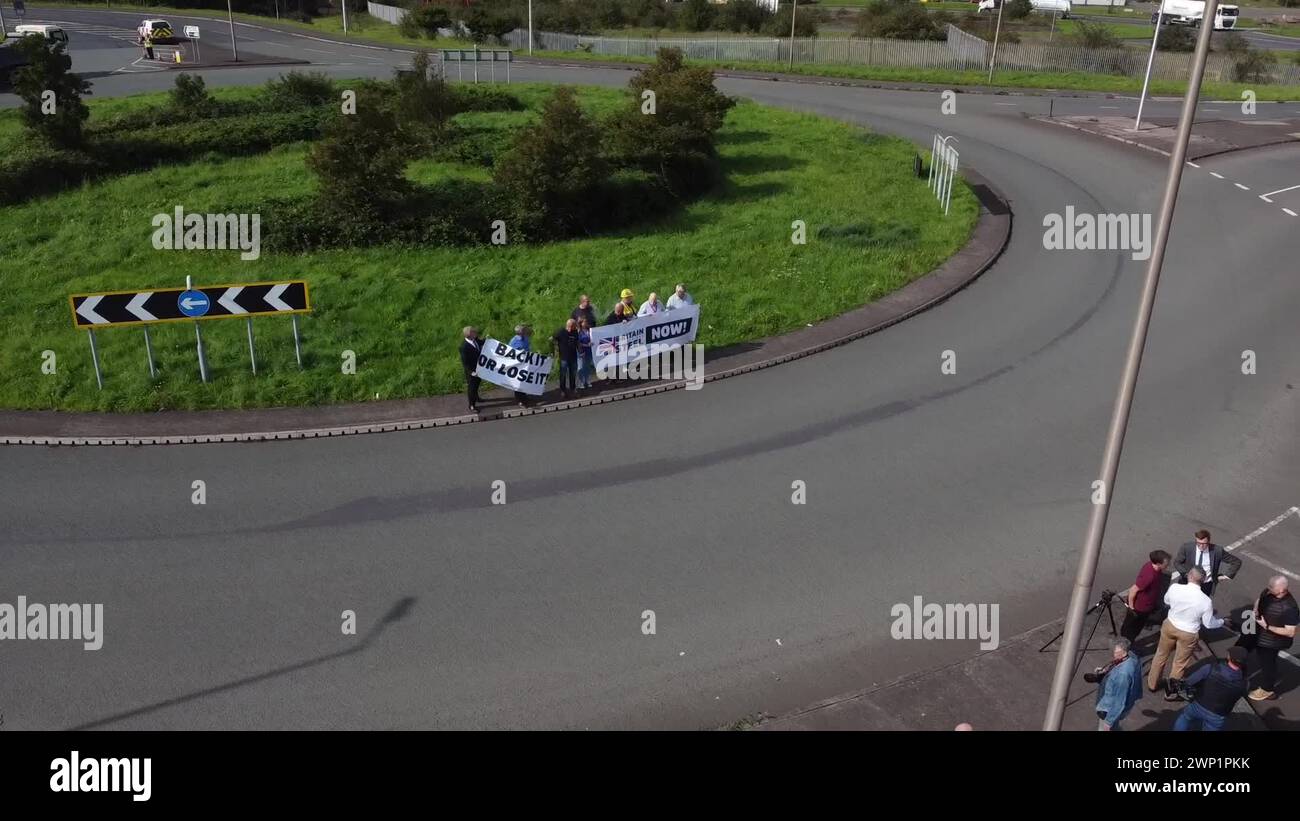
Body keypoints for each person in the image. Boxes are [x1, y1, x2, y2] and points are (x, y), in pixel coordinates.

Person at [1147, 567, 1223, 699]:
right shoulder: (1206, 601)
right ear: (1203, 580)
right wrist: (1222, 621)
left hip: (1170, 625)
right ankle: (1170, 691)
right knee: (1180, 663)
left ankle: (1152, 684)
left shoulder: (1175, 588)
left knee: (1160, 655)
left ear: (1189, 576)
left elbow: (1166, 601)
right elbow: (1209, 624)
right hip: (1189, 632)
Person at [1237, 575, 1298, 701]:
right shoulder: (1268, 591)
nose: (1268, 590)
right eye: (1269, 587)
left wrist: (1268, 626)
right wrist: (1255, 609)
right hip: (1256, 630)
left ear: (1282, 591)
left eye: (1272, 589)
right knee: (1239, 649)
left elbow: (1290, 632)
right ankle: (1233, 673)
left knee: (1267, 664)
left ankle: (1268, 690)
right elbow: (1260, 599)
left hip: (1272, 641)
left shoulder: (1290, 608)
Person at [1173, 646, 1248, 731]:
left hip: (1199, 705)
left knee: (1185, 718)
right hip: (1219, 714)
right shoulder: (1245, 683)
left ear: (1229, 657)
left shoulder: (1210, 668)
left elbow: (1189, 682)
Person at [1120, 550, 1171, 646]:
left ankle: (1128, 643)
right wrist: (1131, 608)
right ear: (1158, 563)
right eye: (1166, 563)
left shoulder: (1154, 568)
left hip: (1147, 606)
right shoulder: (1149, 576)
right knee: (1132, 628)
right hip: (1140, 609)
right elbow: (1133, 590)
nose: (1168, 564)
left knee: (1135, 627)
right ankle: (1126, 645)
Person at [1171, 529, 1240, 598]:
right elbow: (1177, 562)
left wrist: (1226, 576)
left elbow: (1236, 562)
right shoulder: (1186, 547)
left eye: (1204, 544)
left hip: (1205, 586)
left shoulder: (1217, 551)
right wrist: (1186, 574)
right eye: (1198, 543)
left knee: (1200, 605)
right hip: (1187, 583)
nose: (1201, 546)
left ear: (1209, 542)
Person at [1094, 637, 1143, 731]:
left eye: (1115, 652)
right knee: (1115, 727)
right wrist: (1105, 670)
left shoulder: (1122, 675)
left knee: (1105, 728)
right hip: (1118, 705)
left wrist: (1109, 722)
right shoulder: (1131, 656)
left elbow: (1119, 701)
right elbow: (1117, 664)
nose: (1113, 653)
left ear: (1123, 652)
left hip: (1109, 709)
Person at [552, 319, 580, 400]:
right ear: (569, 326)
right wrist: (555, 350)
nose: (575, 327)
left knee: (573, 374)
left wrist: (580, 350)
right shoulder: (561, 332)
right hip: (564, 357)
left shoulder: (575, 332)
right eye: (574, 326)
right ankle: (563, 390)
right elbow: (552, 339)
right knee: (563, 375)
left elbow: (577, 342)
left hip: (573, 357)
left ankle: (573, 389)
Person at [508, 324, 532, 408]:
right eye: (524, 331)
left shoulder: (526, 339)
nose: (525, 332)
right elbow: (510, 353)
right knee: (518, 383)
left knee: (524, 380)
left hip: (525, 363)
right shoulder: (513, 341)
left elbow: (528, 348)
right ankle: (519, 400)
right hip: (517, 365)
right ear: (519, 333)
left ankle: (524, 396)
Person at [459, 326, 482, 413]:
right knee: (472, 387)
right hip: (472, 371)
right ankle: (471, 405)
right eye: (473, 332)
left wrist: (487, 340)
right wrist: (471, 372)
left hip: (479, 368)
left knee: (477, 384)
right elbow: (465, 362)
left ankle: (477, 398)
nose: (476, 332)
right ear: (469, 335)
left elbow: (481, 342)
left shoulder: (475, 339)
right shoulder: (464, 347)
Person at [577, 318, 595, 392]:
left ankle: (587, 380)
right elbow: (578, 343)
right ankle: (581, 381)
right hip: (582, 351)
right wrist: (585, 345)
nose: (586, 323)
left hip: (589, 351)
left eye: (586, 322)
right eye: (584, 322)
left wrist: (591, 343)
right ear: (581, 323)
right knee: (581, 367)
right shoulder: (579, 332)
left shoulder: (589, 331)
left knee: (587, 366)